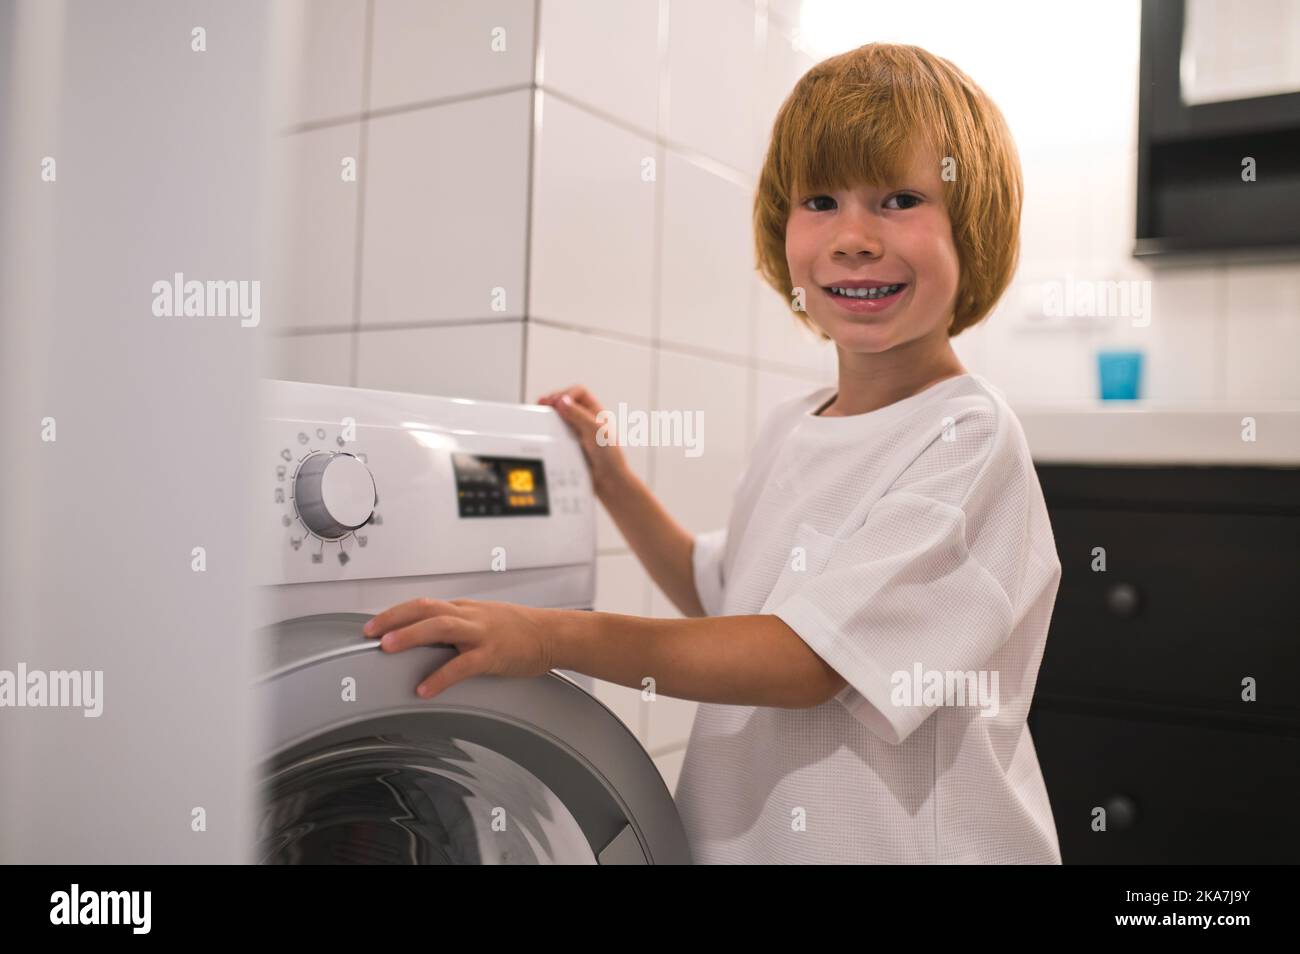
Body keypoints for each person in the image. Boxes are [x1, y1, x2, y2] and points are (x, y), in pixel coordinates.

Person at [363, 42, 1063, 864]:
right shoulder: (794, 425)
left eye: (899, 199)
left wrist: (553, 638)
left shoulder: (967, 438)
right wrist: (615, 482)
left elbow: (805, 661)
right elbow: (721, 597)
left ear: (972, 226)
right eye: (821, 201)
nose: (852, 238)